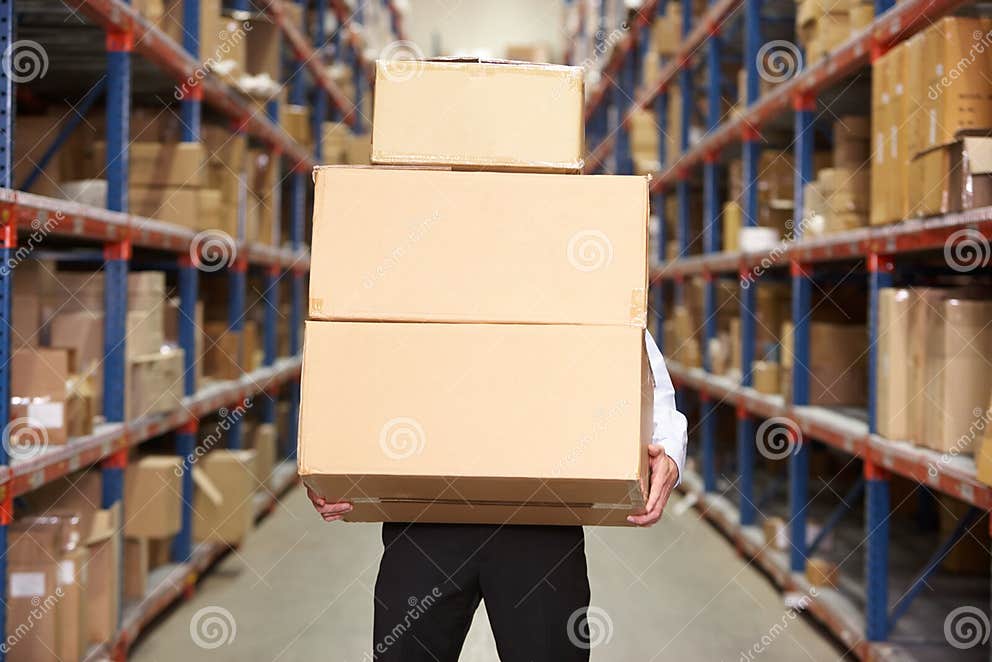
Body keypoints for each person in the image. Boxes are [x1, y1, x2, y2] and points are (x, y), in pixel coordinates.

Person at [307, 330, 688, 661]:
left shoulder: (562, 255)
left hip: (543, 517)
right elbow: (354, 343)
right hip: (424, 517)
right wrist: (327, 455)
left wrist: (668, 447)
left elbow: (622, 333)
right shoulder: (407, 256)